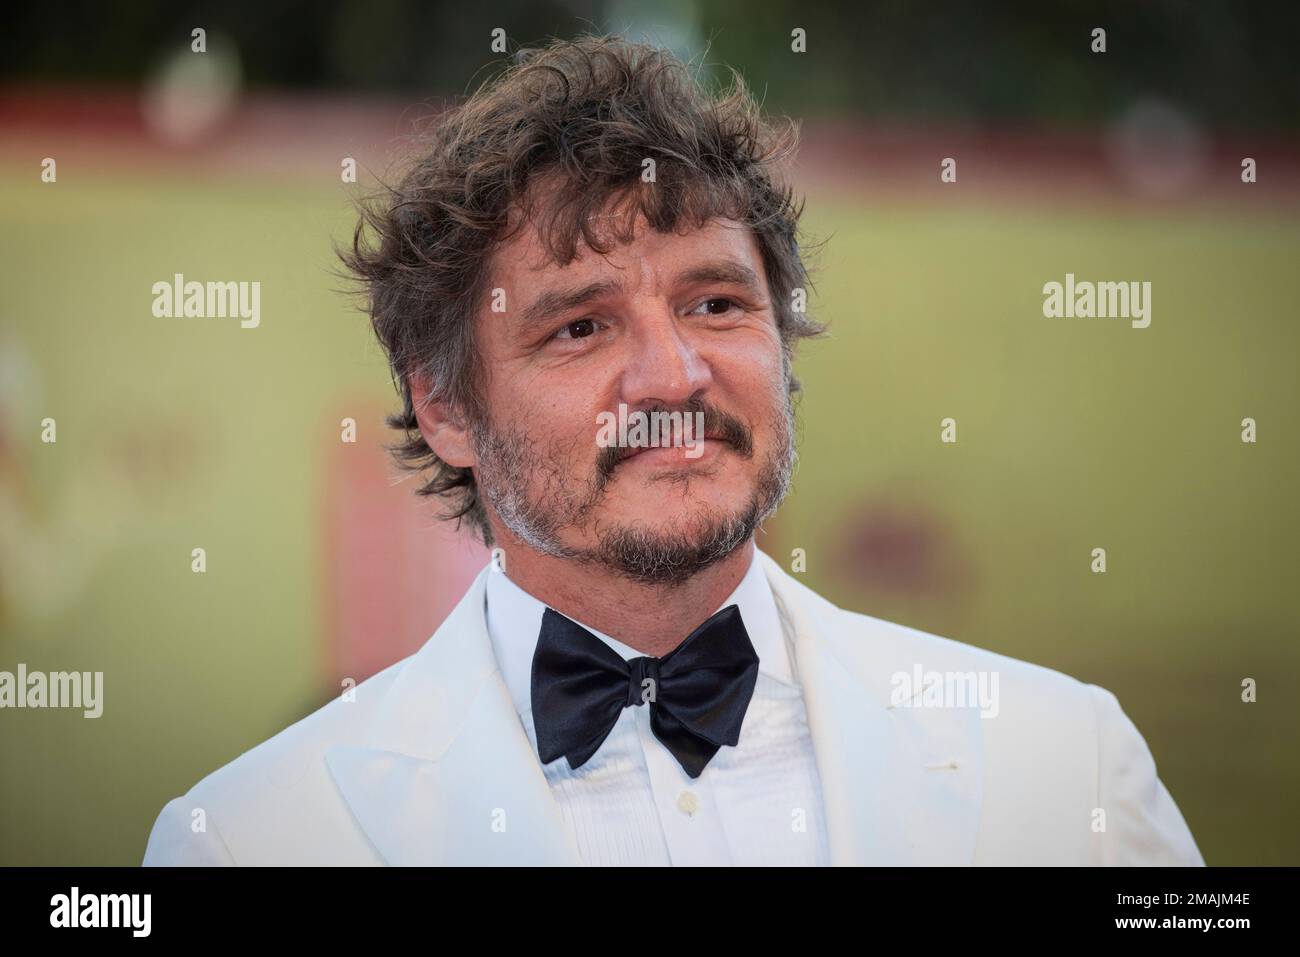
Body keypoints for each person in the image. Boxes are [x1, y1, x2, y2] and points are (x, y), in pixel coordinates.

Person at [143, 35, 1203, 866]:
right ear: (445, 409)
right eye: (579, 327)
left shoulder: (1065, 768)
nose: (672, 376)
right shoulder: (252, 840)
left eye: (713, 301)